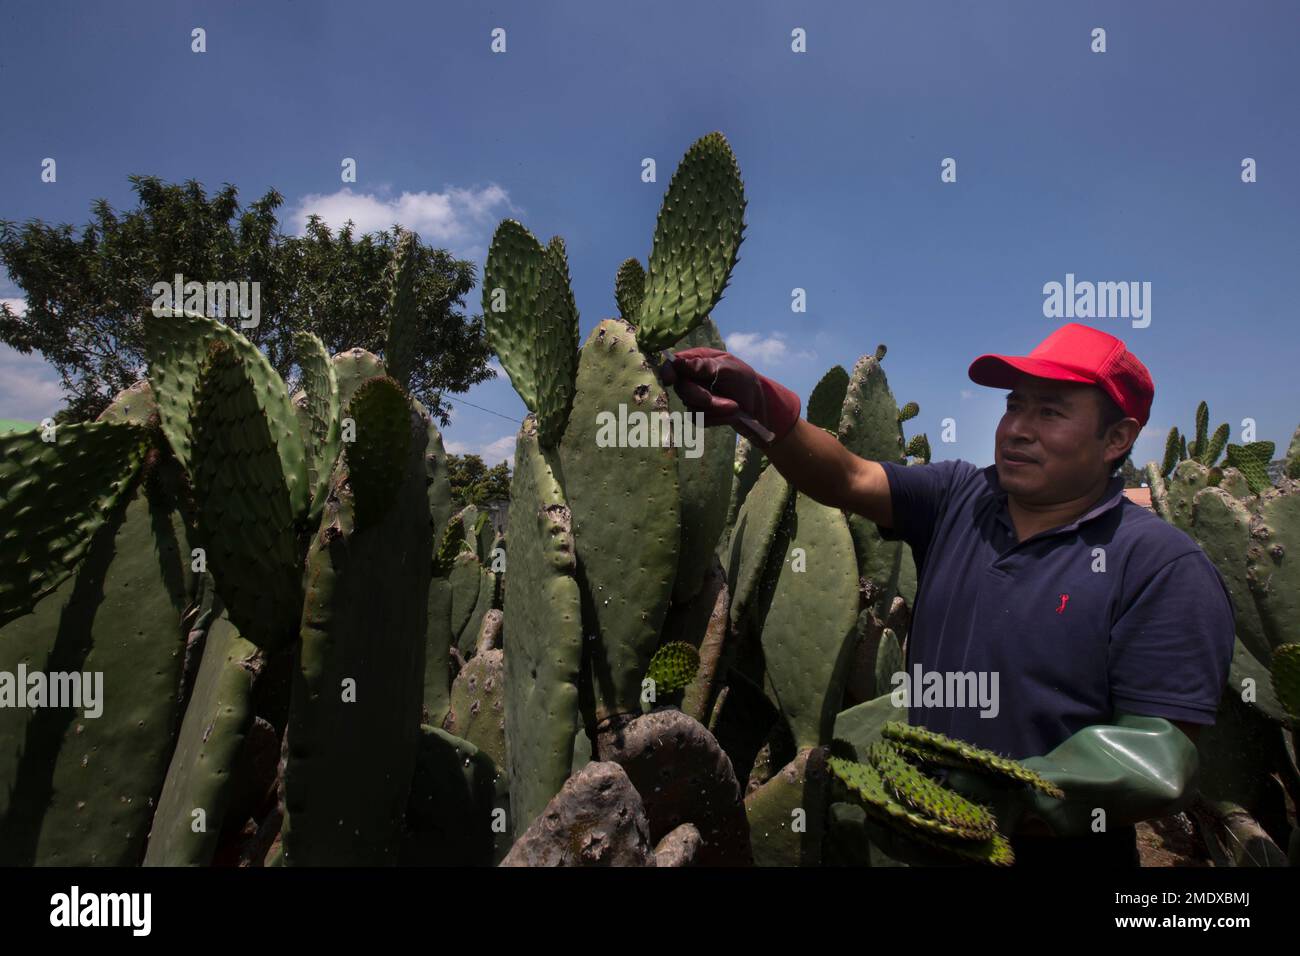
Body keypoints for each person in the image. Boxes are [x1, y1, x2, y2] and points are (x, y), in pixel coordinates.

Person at [660, 322, 1236, 866]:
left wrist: (1007, 796)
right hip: (915, 845)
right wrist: (766, 411)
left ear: (1118, 438)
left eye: (1051, 412)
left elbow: (1160, 754)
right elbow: (850, 478)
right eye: (1014, 406)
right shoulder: (962, 495)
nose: (1017, 428)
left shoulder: (1160, 566)